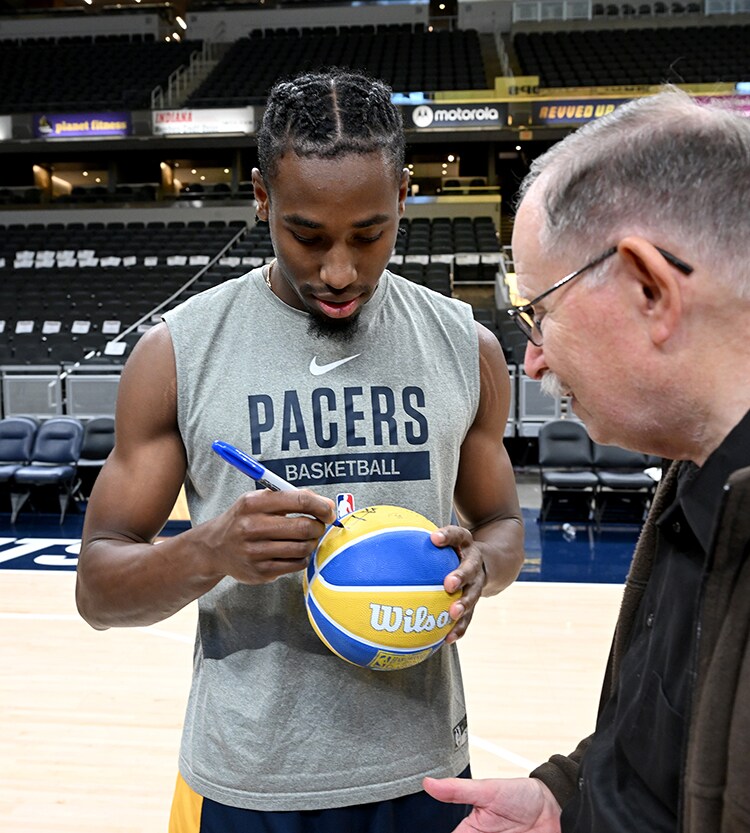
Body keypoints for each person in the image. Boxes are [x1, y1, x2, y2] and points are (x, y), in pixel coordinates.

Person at [75, 69, 525, 833]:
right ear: (261, 200)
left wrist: (482, 566)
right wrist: (207, 549)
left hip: (425, 775)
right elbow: (97, 584)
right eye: (308, 236)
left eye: (370, 234)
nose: (340, 271)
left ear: (406, 195)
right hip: (249, 782)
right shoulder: (177, 353)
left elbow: (505, 525)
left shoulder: (465, 345)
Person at [423, 88, 750, 832]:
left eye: (539, 311)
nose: (532, 358)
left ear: (649, 289)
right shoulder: (697, 479)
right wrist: (568, 799)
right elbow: (671, 754)